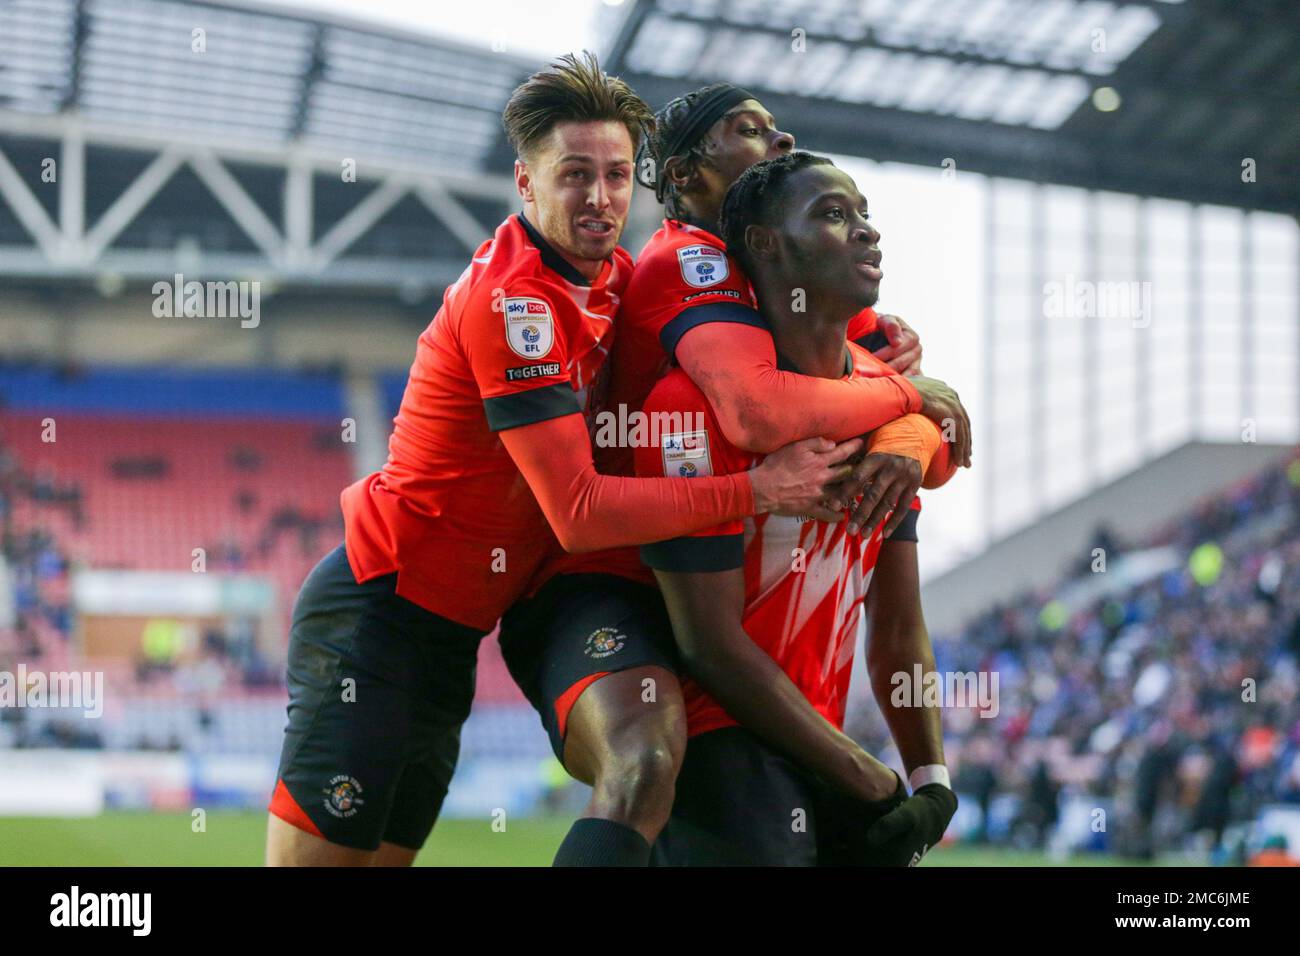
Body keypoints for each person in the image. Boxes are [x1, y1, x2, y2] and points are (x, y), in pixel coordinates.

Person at [265, 54, 855, 867]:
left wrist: (882, 359)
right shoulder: (514, 300)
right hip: (378, 615)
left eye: (616, 175)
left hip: (453, 631)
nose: (601, 197)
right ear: (525, 183)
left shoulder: (616, 279)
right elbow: (577, 512)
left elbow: (744, 342)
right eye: (575, 175)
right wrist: (753, 490)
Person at [498, 84, 967, 865]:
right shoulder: (691, 259)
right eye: (750, 132)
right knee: (645, 760)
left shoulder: (809, 333)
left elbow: (912, 411)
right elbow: (750, 413)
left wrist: (913, 429)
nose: (779, 143)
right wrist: (913, 397)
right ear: (686, 177)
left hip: (770, 689)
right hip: (607, 579)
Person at [638, 152, 958, 865]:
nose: (868, 232)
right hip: (717, 745)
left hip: (826, 739)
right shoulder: (685, 410)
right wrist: (866, 777)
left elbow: (899, 622)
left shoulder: (891, 409)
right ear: (764, 244)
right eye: (835, 215)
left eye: (865, 214)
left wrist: (930, 777)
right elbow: (709, 646)